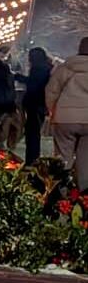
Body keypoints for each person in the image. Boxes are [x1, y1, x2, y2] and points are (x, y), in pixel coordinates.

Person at [47, 35, 88, 187]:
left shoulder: (66, 67)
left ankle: (60, 195)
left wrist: (53, 110)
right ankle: (83, 197)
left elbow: (51, 92)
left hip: (65, 119)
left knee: (63, 159)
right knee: (86, 162)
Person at [22, 46, 55, 165]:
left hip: (34, 104)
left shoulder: (38, 69)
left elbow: (33, 85)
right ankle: (33, 159)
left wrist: (18, 77)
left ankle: (31, 160)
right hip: (41, 104)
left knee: (32, 134)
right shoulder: (47, 68)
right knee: (34, 133)